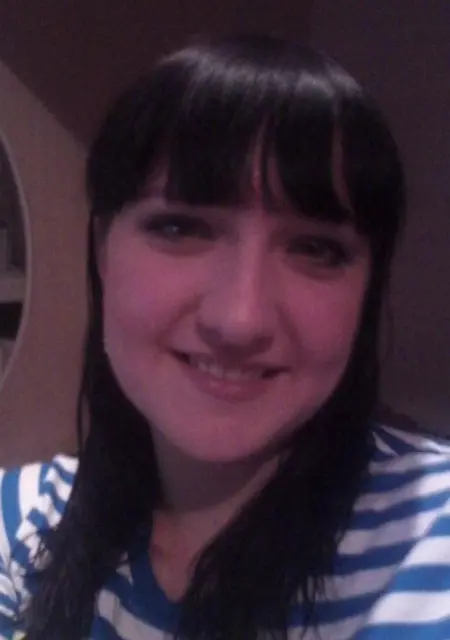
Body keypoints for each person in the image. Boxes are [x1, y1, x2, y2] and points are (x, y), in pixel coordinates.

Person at [0, 34, 449, 640]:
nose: (241, 320)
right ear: (104, 249)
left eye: (316, 249)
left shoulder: (431, 536)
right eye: (180, 227)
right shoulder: (21, 523)